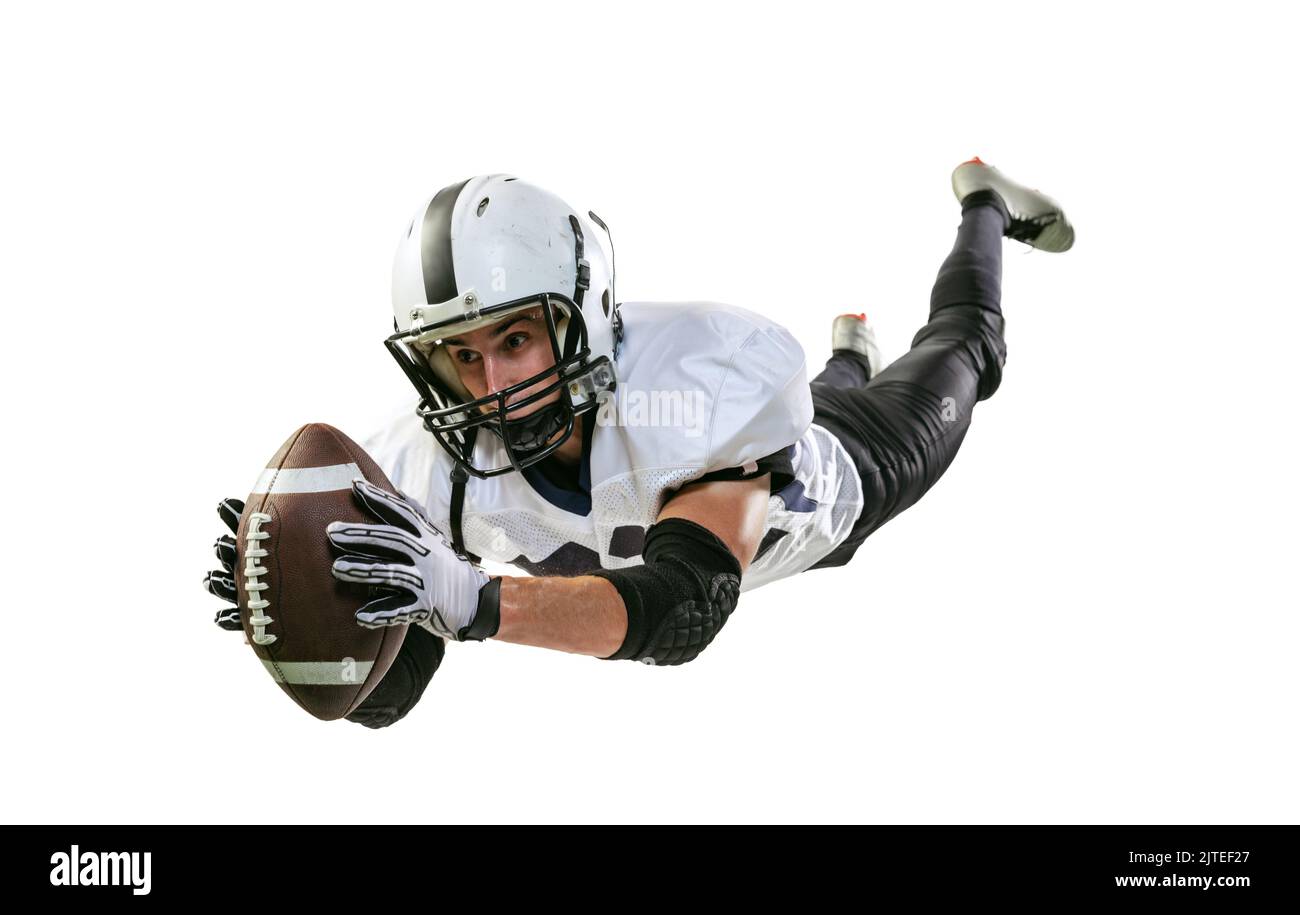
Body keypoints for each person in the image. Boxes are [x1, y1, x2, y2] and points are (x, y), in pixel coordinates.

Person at [204, 158, 1074, 727]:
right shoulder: (427, 471)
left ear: (582, 317)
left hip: (844, 478)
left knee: (966, 349)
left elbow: (683, 607)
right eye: (462, 356)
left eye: (515, 340)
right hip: (767, 457)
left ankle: (985, 207)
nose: (496, 387)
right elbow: (396, 687)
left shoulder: (691, 389)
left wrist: (480, 601)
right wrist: (309, 613)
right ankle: (848, 355)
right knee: (832, 382)